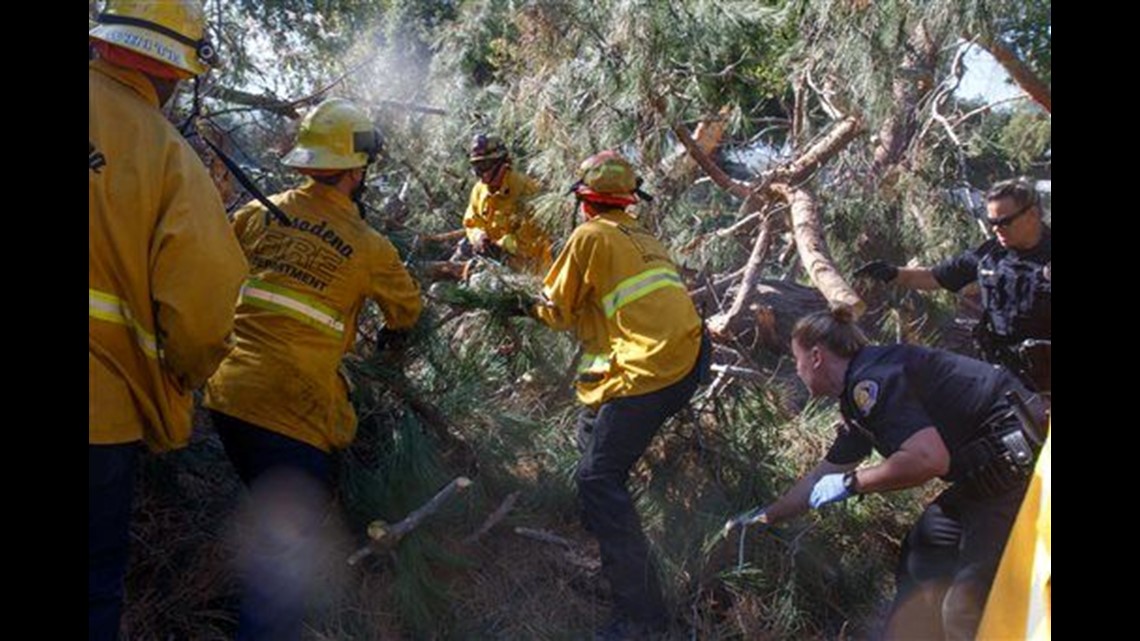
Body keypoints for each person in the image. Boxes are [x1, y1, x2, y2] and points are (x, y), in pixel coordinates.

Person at [203, 97, 423, 641]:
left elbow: (209, 276)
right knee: (285, 563)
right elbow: (407, 311)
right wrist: (384, 357)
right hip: (294, 415)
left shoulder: (256, 215)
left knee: (268, 508)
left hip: (229, 398)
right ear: (355, 171)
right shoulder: (368, 246)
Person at [726, 308, 1047, 640]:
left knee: (968, 607)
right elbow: (818, 480)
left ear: (817, 356)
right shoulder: (859, 394)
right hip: (985, 477)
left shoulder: (874, 381)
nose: (797, 368)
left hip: (1018, 472)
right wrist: (766, 516)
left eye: (797, 359)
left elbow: (927, 460)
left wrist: (853, 483)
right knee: (926, 548)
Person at [89, 2, 249, 639]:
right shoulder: (168, 156)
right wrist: (180, 381)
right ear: (177, 73)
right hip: (100, 416)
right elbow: (205, 318)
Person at [529, 150, 707, 640]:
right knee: (593, 431)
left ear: (584, 203)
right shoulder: (644, 237)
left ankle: (643, 615)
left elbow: (556, 312)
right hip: (689, 355)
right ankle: (597, 533)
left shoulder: (587, 235)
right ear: (627, 201)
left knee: (599, 478)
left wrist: (522, 299)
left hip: (651, 367)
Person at [853, 178, 1051, 394]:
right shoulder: (989, 255)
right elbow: (934, 277)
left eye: (1005, 222)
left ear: (1032, 215)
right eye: (991, 222)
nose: (996, 230)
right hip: (1008, 377)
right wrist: (892, 274)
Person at [453, 133, 553, 275]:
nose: (481, 173)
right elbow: (471, 222)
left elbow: (533, 243)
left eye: (485, 165)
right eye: (476, 166)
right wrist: (478, 236)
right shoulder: (479, 190)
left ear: (503, 163)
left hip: (528, 272)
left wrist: (498, 246)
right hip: (493, 262)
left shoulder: (526, 190)